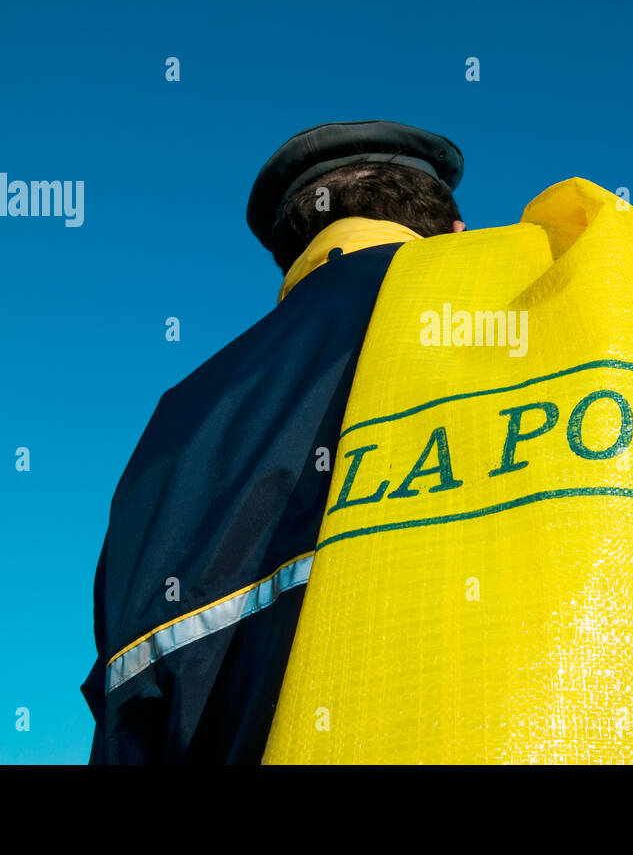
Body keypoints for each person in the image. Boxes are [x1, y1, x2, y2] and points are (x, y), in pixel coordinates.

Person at [80, 120, 465, 763]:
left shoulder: (175, 427)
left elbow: (128, 711)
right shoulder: (528, 314)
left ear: (292, 256)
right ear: (458, 235)